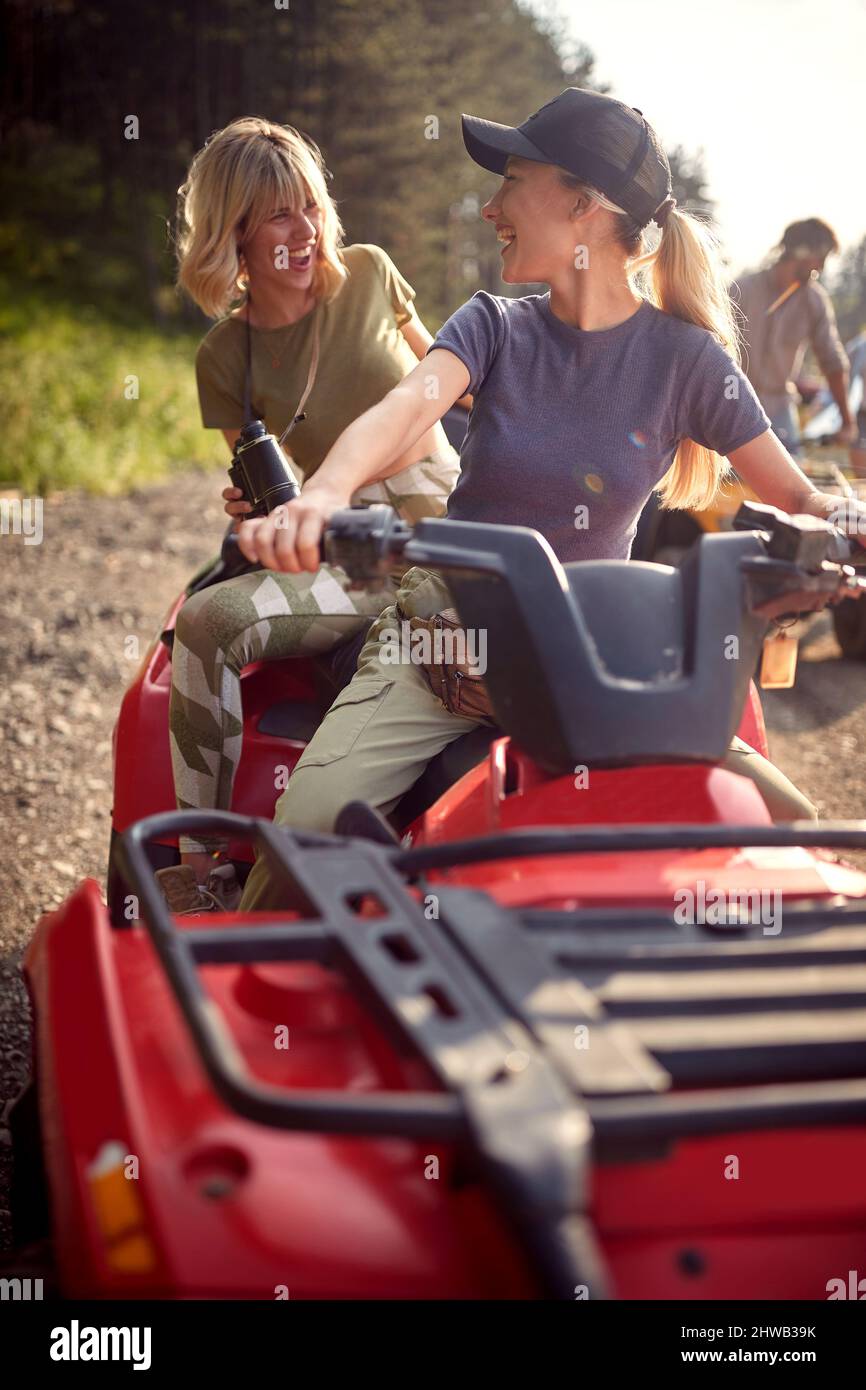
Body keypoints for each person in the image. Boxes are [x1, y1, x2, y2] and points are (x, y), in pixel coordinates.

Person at [234, 88, 866, 914]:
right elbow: (404, 410)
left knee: (790, 827)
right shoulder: (495, 326)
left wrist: (847, 523)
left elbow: (796, 496)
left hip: (588, 666)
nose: (491, 206)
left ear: (583, 206)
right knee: (307, 829)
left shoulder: (688, 361)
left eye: (513, 180)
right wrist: (320, 495)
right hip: (441, 651)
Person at [161, 117, 464, 913]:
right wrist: (253, 504)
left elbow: (448, 390)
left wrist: (350, 472)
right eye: (280, 215)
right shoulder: (224, 358)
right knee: (204, 621)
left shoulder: (369, 271)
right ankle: (203, 870)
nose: (308, 228)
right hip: (346, 554)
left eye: (311, 204)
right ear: (235, 237)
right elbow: (274, 488)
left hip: (441, 527)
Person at [729, 219, 853, 456]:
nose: (822, 268)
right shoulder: (741, 291)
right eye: (821, 258)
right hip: (734, 403)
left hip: (780, 408)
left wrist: (848, 422)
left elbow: (832, 361)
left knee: (793, 474)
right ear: (802, 252)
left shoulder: (814, 302)